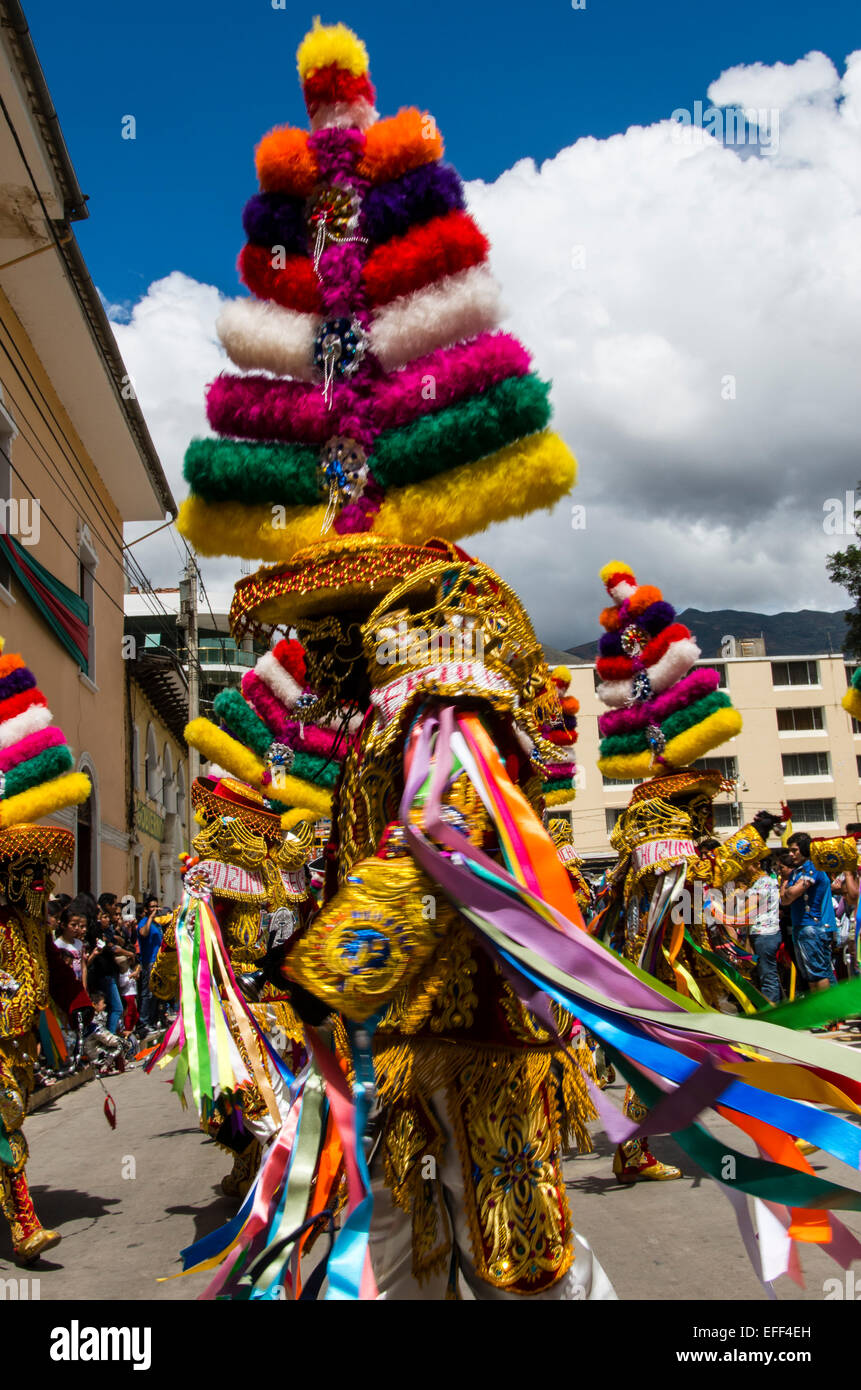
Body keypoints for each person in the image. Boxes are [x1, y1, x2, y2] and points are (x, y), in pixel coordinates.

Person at [781, 832, 837, 993]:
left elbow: (791, 894)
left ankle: (826, 1014)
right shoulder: (796, 872)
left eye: (794, 850)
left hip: (813, 926)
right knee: (811, 975)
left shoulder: (813, 868)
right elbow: (784, 899)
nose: (791, 855)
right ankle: (833, 1015)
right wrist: (789, 892)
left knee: (818, 975)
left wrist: (789, 891)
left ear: (805, 849)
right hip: (802, 927)